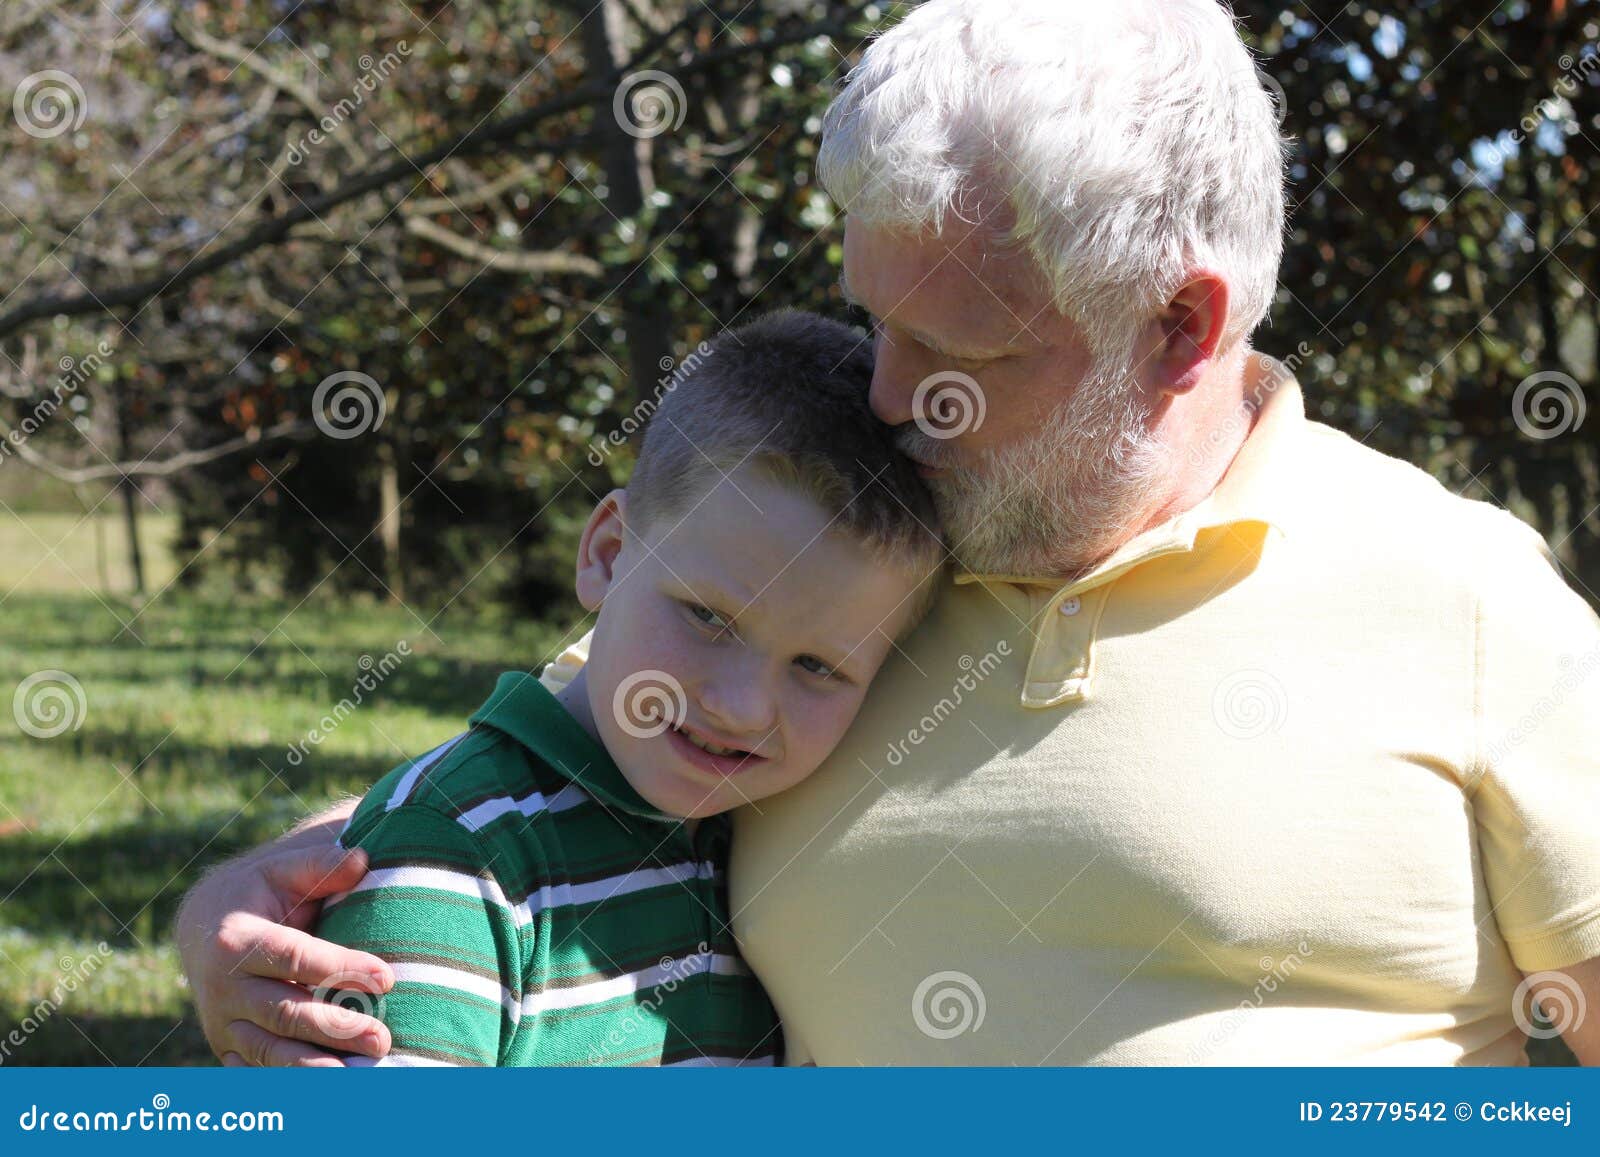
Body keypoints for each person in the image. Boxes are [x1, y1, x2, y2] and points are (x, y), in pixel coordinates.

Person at [178, 0, 1600, 1066]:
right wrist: (238, 911)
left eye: (953, 343)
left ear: (1177, 327)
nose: (881, 391)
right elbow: (532, 778)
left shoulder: (1463, 598)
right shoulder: (849, 570)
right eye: (872, 318)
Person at [300, 309, 940, 1066]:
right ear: (607, 552)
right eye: (707, 616)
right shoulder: (456, 846)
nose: (740, 707)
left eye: (817, 666)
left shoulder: (771, 837)